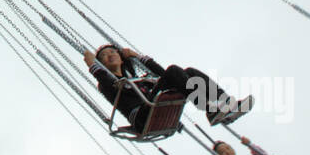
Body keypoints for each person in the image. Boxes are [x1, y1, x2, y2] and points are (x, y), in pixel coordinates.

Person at [82, 44, 253, 129]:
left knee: (189, 72)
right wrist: (92, 64)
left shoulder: (136, 79)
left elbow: (163, 74)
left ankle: (226, 104)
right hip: (143, 115)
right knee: (173, 72)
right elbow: (105, 80)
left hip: (153, 105)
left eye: (112, 52)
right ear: (101, 64)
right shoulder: (108, 84)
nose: (110, 55)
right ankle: (209, 107)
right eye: (104, 56)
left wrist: (136, 56)